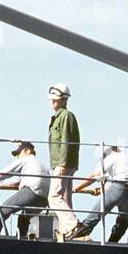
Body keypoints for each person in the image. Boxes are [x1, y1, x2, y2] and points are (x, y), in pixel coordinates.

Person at [68, 146, 128, 242]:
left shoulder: (112, 157)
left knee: (95, 214)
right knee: (123, 221)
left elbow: (95, 176)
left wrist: (76, 188)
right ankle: (113, 243)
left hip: (118, 188)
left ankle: (76, 238)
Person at [0, 141, 49, 236]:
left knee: (1, 213)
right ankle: (21, 239)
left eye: (18, 153)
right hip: (44, 198)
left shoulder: (27, 159)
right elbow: (17, 184)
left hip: (32, 190)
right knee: (24, 218)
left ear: (27, 151)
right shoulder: (41, 166)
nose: (17, 157)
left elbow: (5, 173)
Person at [47, 83, 80, 236]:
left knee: (54, 196)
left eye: (56, 99)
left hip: (63, 163)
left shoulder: (65, 116)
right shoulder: (58, 117)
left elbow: (66, 141)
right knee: (64, 198)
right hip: (61, 163)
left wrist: (62, 164)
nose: (52, 102)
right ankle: (66, 230)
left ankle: (73, 225)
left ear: (64, 99)